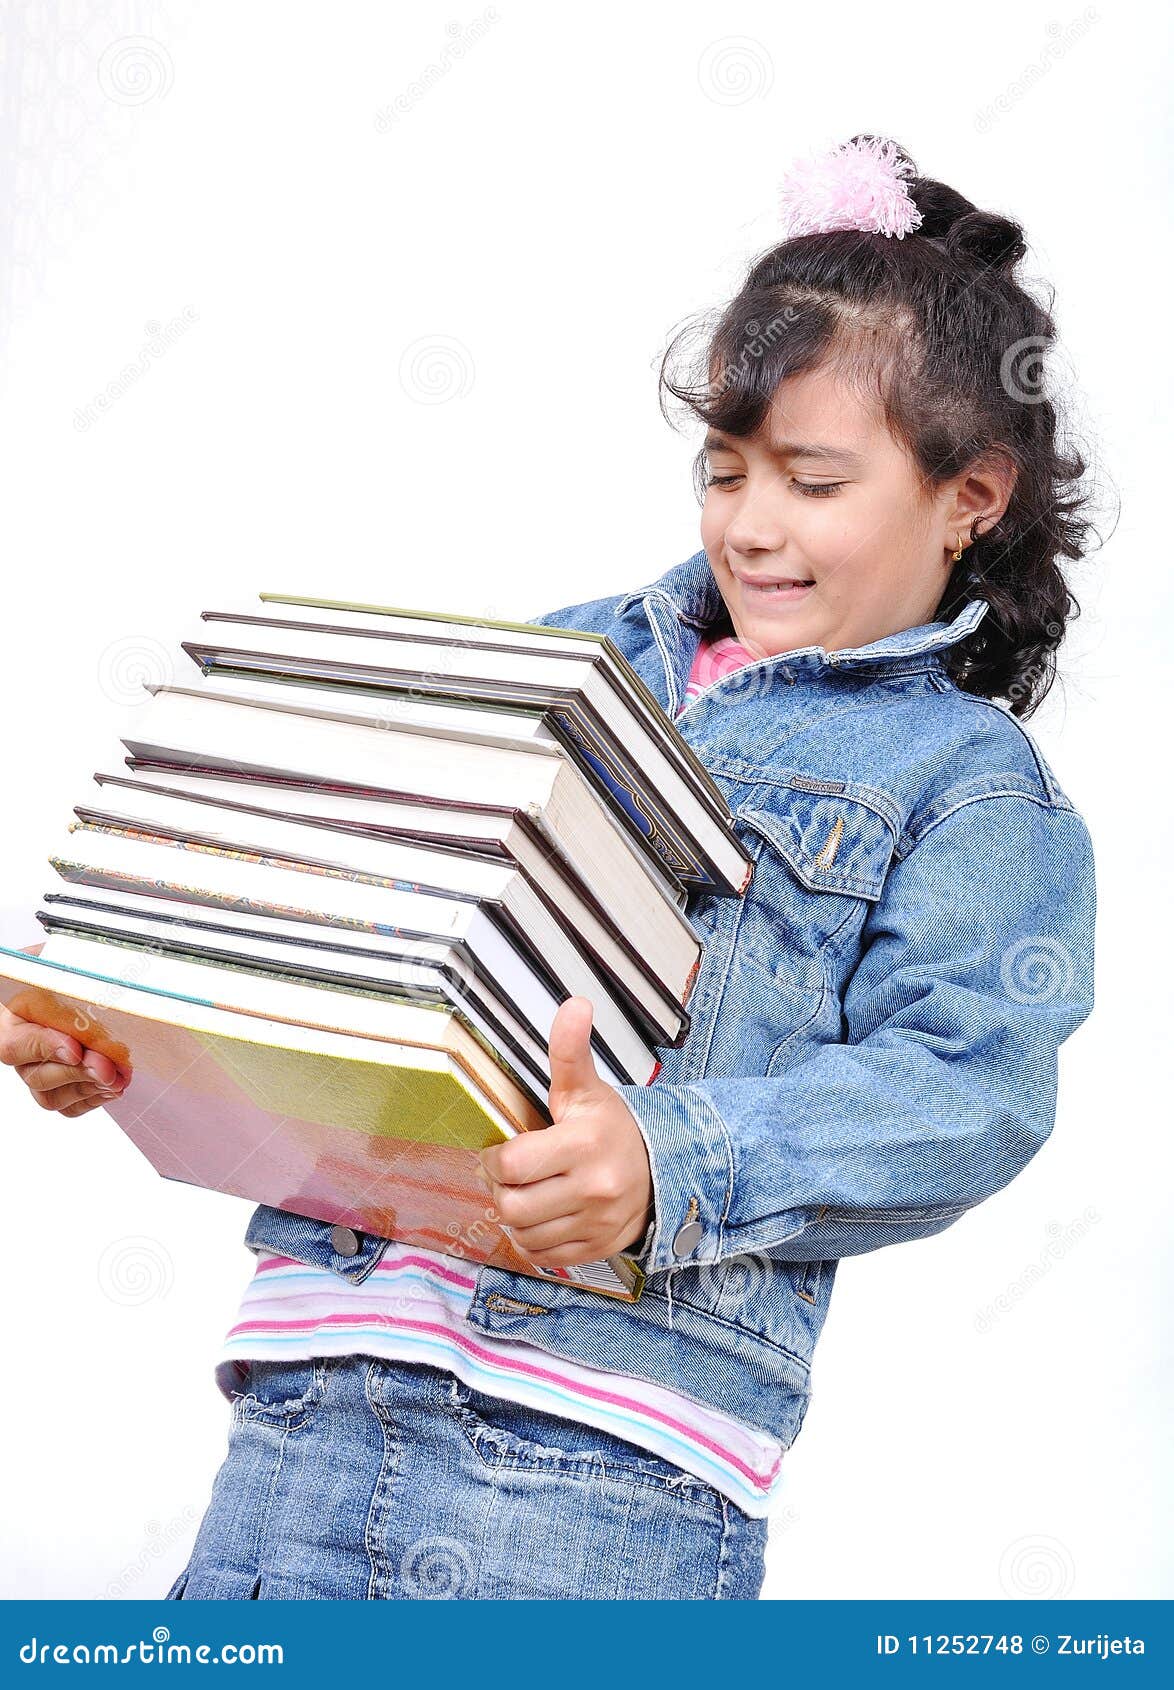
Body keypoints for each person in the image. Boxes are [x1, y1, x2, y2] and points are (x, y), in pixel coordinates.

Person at [0, 134, 1098, 1600]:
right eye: (724, 470)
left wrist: (667, 1155)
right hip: (303, 1395)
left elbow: (965, 1091)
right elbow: (371, 941)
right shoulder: (554, 659)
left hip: (590, 1471)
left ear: (969, 493)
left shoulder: (967, 789)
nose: (750, 524)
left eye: (813, 483)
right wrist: (147, 1038)